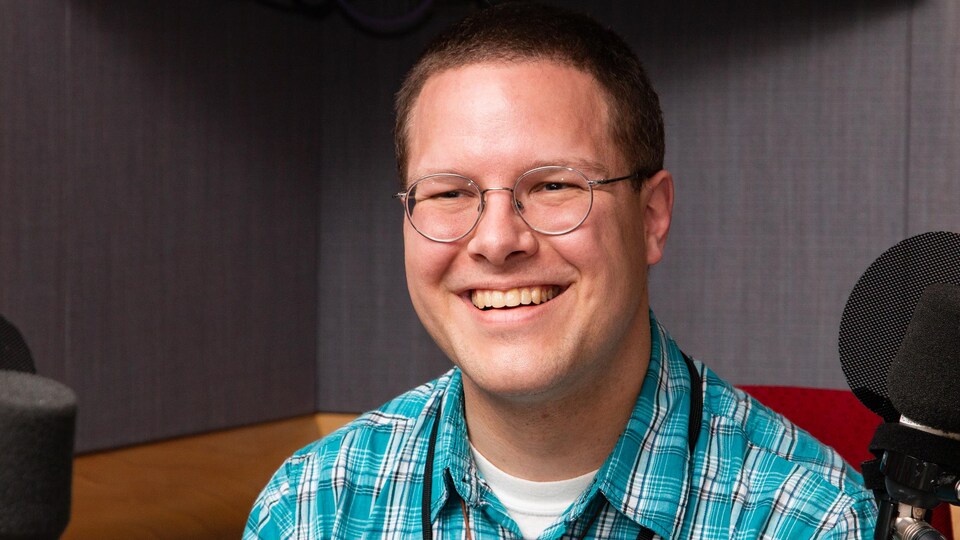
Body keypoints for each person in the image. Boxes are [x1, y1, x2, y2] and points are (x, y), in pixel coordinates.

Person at [245, 3, 878, 538]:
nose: (496, 240)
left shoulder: (816, 520)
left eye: (553, 185)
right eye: (447, 193)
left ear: (652, 217)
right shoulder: (313, 508)